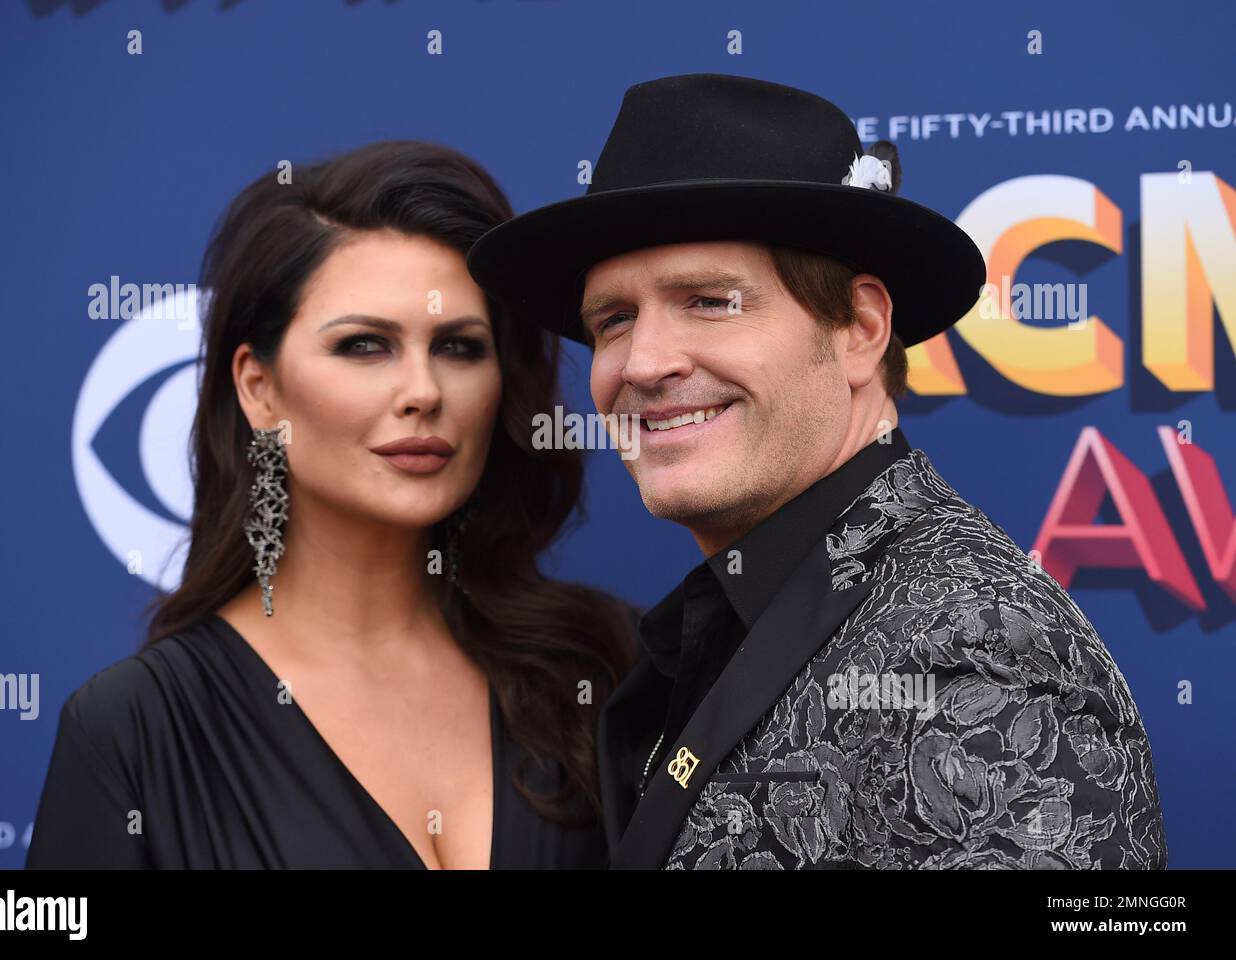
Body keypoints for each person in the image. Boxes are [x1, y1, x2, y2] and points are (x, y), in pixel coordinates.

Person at [466, 73, 1167, 869]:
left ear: (861, 330)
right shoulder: (729, 620)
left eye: (708, 301)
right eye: (614, 320)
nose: (646, 363)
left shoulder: (976, 648)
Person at [26, 140, 636, 869]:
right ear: (260, 388)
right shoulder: (136, 729)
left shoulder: (605, 665)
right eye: (365, 346)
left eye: (460, 347)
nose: (424, 391)